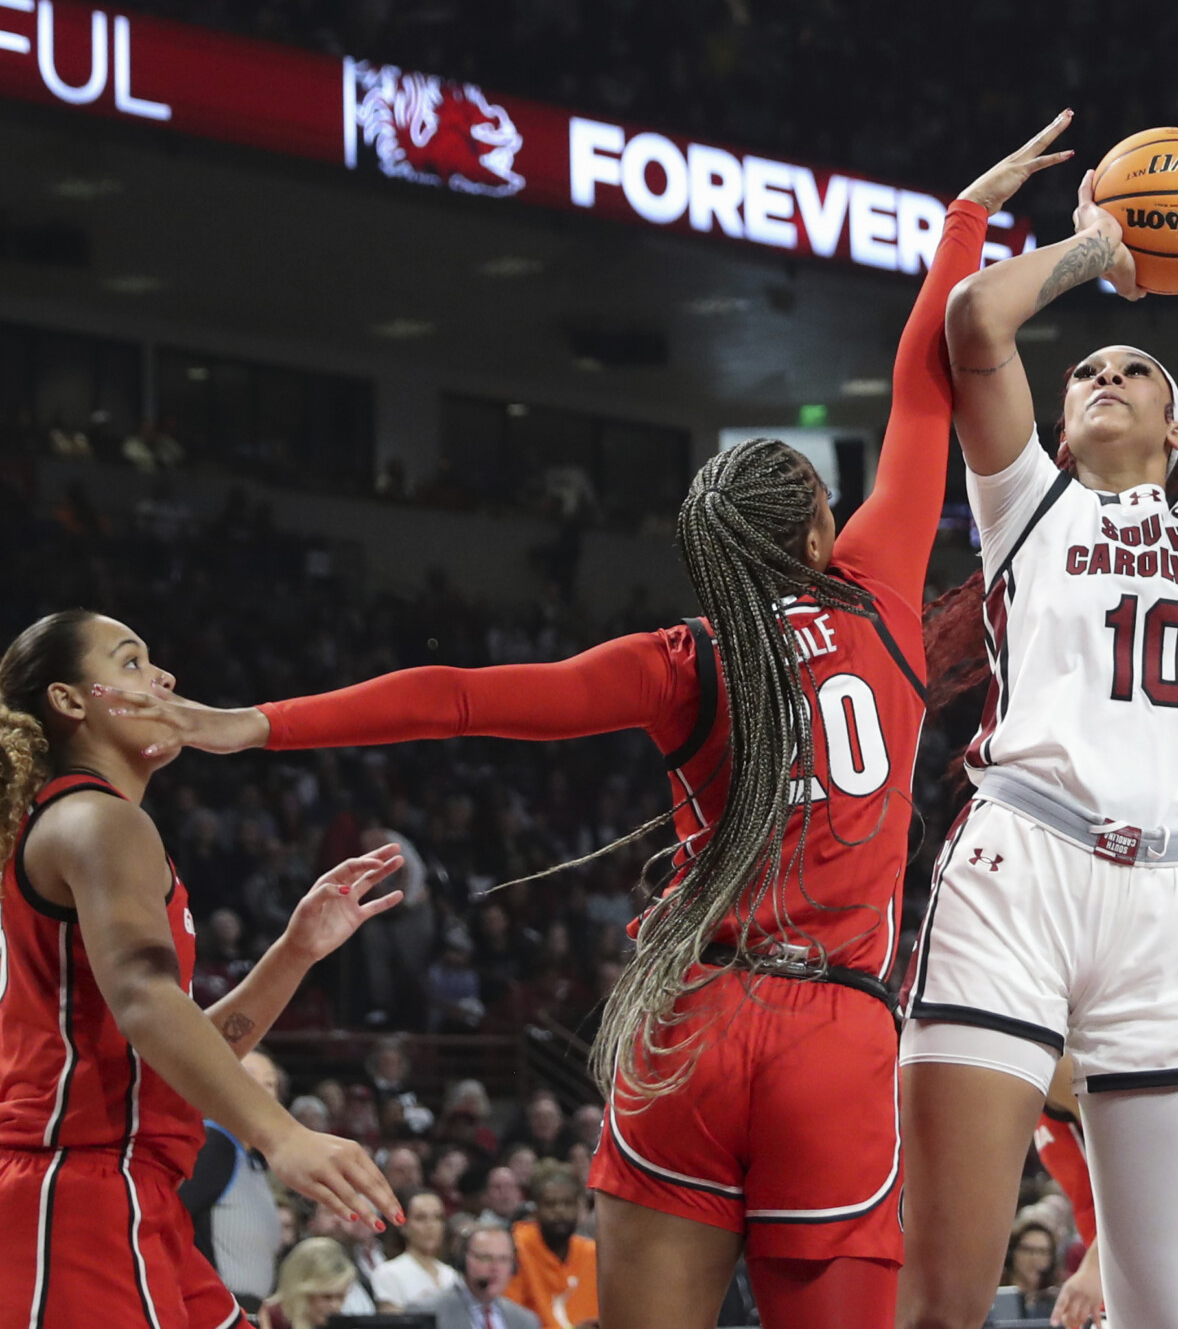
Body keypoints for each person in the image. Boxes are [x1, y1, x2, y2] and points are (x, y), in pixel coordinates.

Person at [122, 119, 1074, 1329]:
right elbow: (921, 385)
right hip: (831, 1030)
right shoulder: (879, 595)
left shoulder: (680, 660)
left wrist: (252, 724)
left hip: (692, 1020)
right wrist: (960, 224)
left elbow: (455, 696)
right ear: (817, 531)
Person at [901, 141, 1178, 1329]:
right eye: (1085, 373)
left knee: (1172, 1315)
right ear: (1057, 428)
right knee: (941, 1299)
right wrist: (1098, 246)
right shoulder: (1025, 501)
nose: (1104, 373)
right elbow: (973, 323)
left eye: (1133, 370)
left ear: (1175, 428)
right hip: (1022, 864)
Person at [0, 610, 404, 1329]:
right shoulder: (99, 820)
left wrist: (293, 953)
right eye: (130, 661)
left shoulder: (67, 824)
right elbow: (145, 1000)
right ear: (69, 700)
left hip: (127, 1192)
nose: (163, 678)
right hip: (76, 1195)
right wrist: (282, 1135)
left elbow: (164, 1052)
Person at [1028, 1056, 1178, 1329]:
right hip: (1125, 1267)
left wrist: (1094, 1267)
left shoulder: (1061, 1067)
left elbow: (1153, 1169)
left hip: (1167, 1259)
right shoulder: (1025, 1079)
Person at [180, 1048, 289, 1308]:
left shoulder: (252, 1160)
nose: (262, 1091)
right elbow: (170, 1218)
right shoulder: (214, 1146)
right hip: (213, 1311)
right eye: (249, 1078)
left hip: (247, 1311)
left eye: (270, 1084)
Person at [506, 1161, 599, 1329]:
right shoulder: (516, 1248)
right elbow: (508, 1319)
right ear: (535, 1210)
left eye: (568, 1204)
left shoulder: (592, 1253)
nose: (560, 1211)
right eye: (550, 1204)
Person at [419, 1226, 540, 1329]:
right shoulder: (428, 1313)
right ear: (463, 1260)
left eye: (503, 1259)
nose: (495, 1268)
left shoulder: (525, 1321)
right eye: (486, 1258)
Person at [372, 1189, 459, 1309]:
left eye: (437, 1218)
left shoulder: (451, 1275)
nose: (430, 1225)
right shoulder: (389, 1273)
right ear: (403, 1225)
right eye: (421, 1218)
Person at [261, 1237, 359, 1329]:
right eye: (326, 1297)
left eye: (341, 1297)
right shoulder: (268, 1318)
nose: (335, 1307)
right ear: (301, 1292)